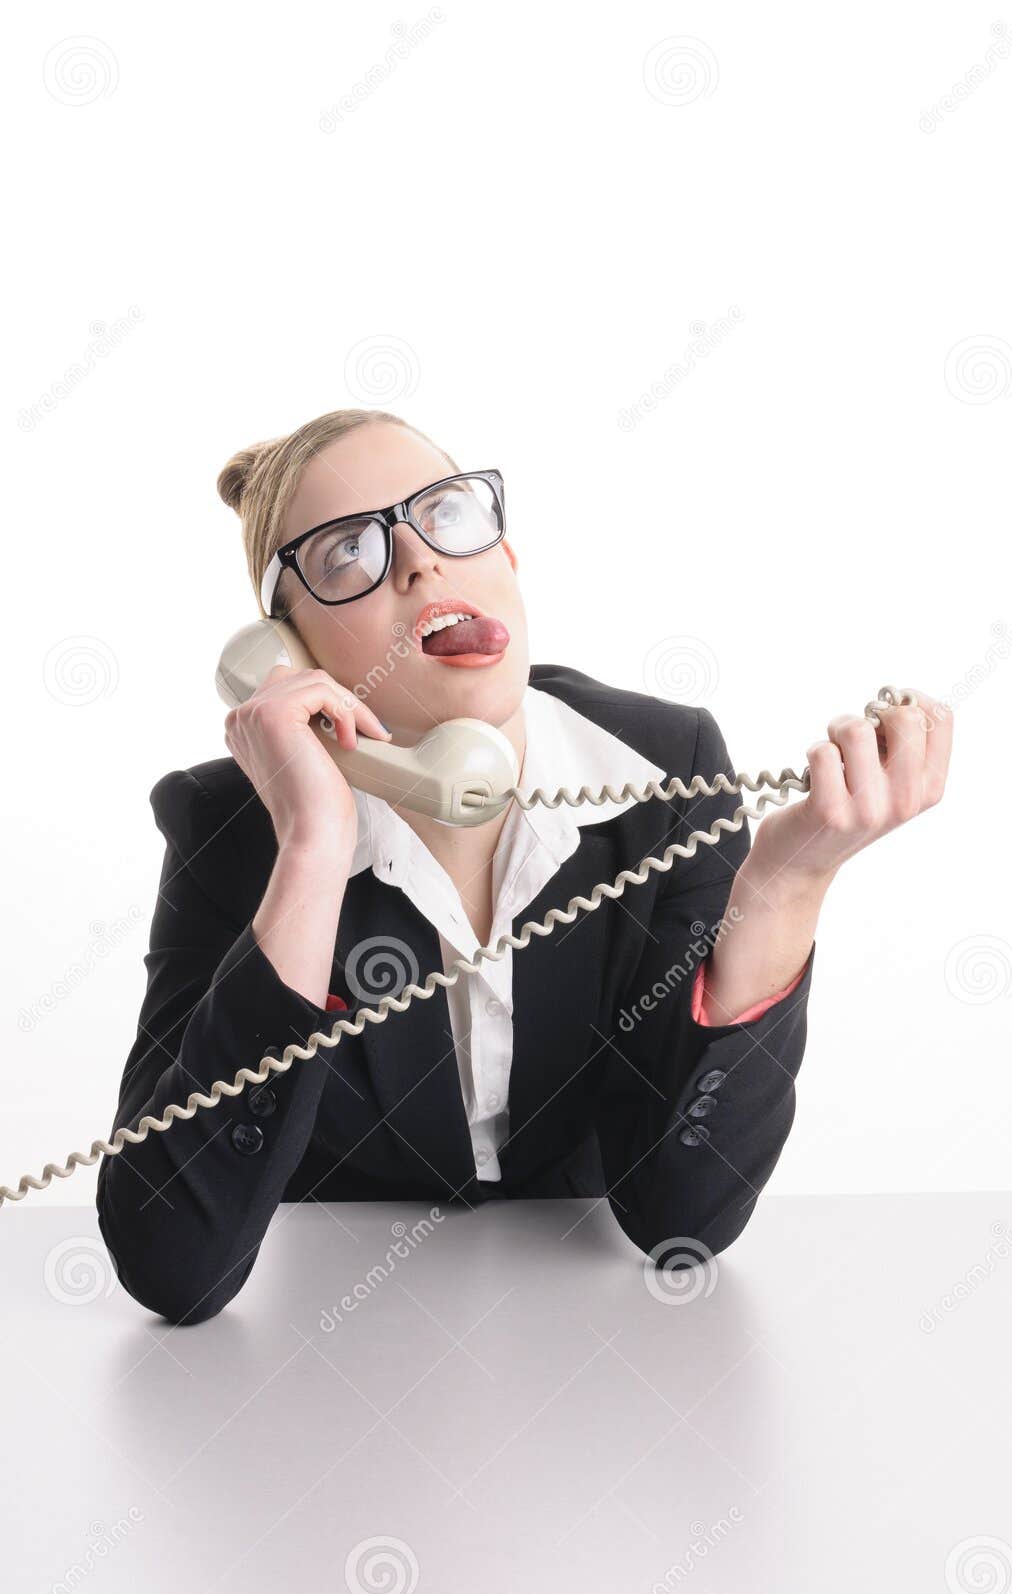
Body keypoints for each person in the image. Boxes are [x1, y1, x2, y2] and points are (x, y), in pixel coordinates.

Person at [96, 408, 953, 1324]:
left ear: (506, 556)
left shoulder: (664, 770)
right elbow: (173, 1268)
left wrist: (787, 886)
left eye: (446, 514)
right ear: (287, 652)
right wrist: (311, 845)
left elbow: (683, 1219)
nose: (421, 562)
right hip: (336, 1340)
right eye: (349, 552)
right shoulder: (227, 824)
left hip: (595, 1350)